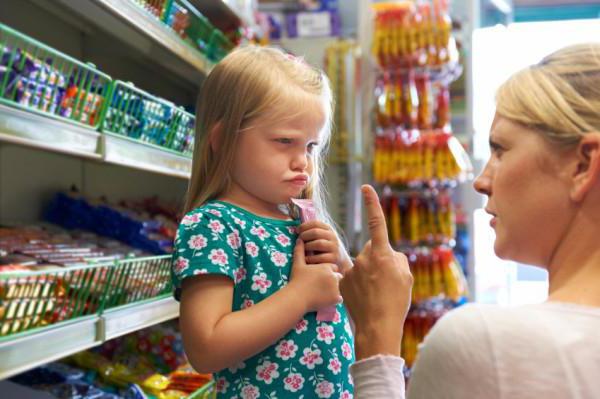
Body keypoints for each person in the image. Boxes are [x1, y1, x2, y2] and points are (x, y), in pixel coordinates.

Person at [343, 43, 600, 399]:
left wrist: (375, 333)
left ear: (583, 165)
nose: (481, 181)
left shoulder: (487, 344)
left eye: (500, 150)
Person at [172, 46, 356, 398]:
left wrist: (344, 266)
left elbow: (353, 316)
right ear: (222, 140)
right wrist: (300, 296)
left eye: (311, 146)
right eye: (284, 141)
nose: (302, 161)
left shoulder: (299, 222)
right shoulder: (213, 225)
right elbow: (205, 347)